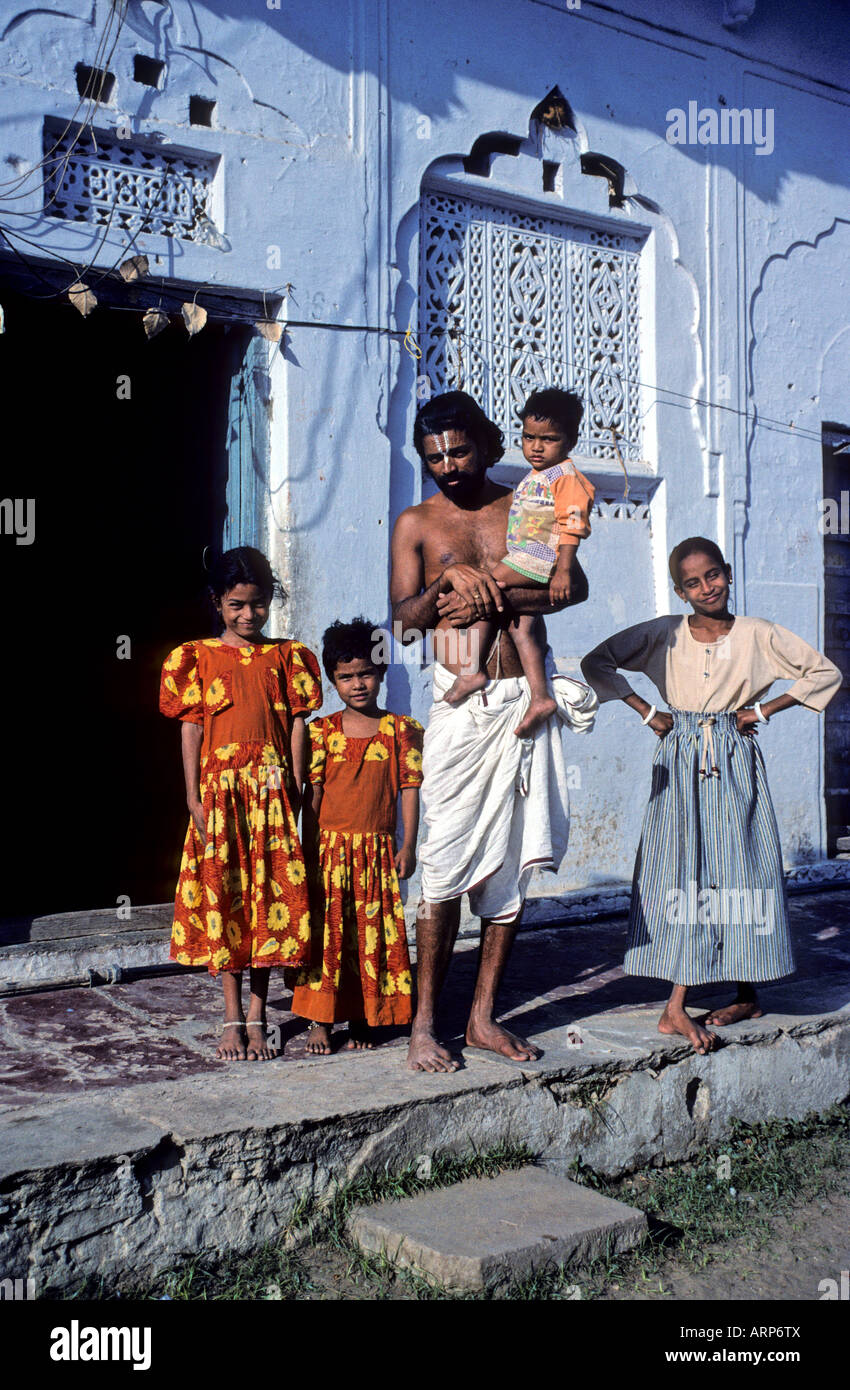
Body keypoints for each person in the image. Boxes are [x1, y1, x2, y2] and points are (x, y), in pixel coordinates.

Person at [391, 390, 597, 1073]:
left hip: (521, 698)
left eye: (458, 450)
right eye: (434, 457)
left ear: (484, 444)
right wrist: (451, 583)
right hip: (458, 704)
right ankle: (426, 1025)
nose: (448, 465)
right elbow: (405, 620)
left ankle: (481, 1018)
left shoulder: (528, 503)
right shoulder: (416, 523)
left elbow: (573, 587)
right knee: (442, 864)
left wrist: (491, 591)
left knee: (509, 871)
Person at [581, 537, 842, 1055]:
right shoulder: (663, 634)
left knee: (742, 865)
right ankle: (676, 1006)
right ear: (681, 591)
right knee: (684, 869)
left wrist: (764, 711)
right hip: (680, 757)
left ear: (726, 572)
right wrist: (646, 711)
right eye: (694, 583)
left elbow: (825, 672)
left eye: (713, 576)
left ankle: (746, 992)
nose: (707, 589)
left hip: (733, 757)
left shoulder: (758, 634)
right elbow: (599, 662)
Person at [160, 546, 322, 1061]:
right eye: (236, 605)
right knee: (227, 898)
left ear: (270, 599)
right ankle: (231, 1014)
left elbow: (298, 722)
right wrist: (192, 795)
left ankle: (259, 1014)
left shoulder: (289, 657)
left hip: (271, 795)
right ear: (217, 602)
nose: (248, 615)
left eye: (258, 604)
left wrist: (295, 780)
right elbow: (191, 729)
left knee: (270, 900)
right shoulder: (196, 657)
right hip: (221, 795)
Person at [290, 618, 424, 1053]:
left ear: (381, 672)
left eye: (366, 673)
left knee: (372, 939)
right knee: (330, 938)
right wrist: (306, 848)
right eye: (346, 677)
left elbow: (409, 789)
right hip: (329, 852)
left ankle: (368, 1017)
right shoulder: (321, 732)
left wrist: (407, 845)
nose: (357, 684)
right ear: (332, 680)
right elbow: (314, 796)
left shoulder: (402, 730)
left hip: (377, 853)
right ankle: (320, 1020)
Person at [439, 388, 595, 739]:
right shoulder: (539, 475)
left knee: (481, 591)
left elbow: (572, 524)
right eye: (528, 437)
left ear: (571, 441)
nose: (536, 447)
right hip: (528, 556)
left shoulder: (565, 478)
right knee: (521, 625)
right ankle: (540, 697)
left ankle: (470, 672)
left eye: (549, 439)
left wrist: (565, 568)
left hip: (537, 556)